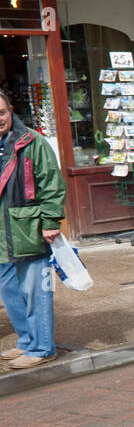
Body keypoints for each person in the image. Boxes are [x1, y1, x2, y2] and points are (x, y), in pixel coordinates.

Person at [0, 87, 66, 369]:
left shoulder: (32, 141)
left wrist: (51, 221)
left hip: (27, 227)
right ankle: (27, 341)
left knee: (36, 290)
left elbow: (51, 182)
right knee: (10, 291)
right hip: (2, 233)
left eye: (1, 112)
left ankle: (42, 347)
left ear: (10, 111)